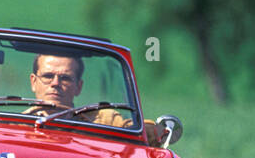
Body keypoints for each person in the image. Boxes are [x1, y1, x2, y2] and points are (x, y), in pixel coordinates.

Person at [26, 53, 162, 144]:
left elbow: (139, 135)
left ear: (78, 87)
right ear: (33, 82)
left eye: (65, 78)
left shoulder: (104, 120)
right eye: (48, 76)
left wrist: (159, 131)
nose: (55, 83)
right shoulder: (14, 124)